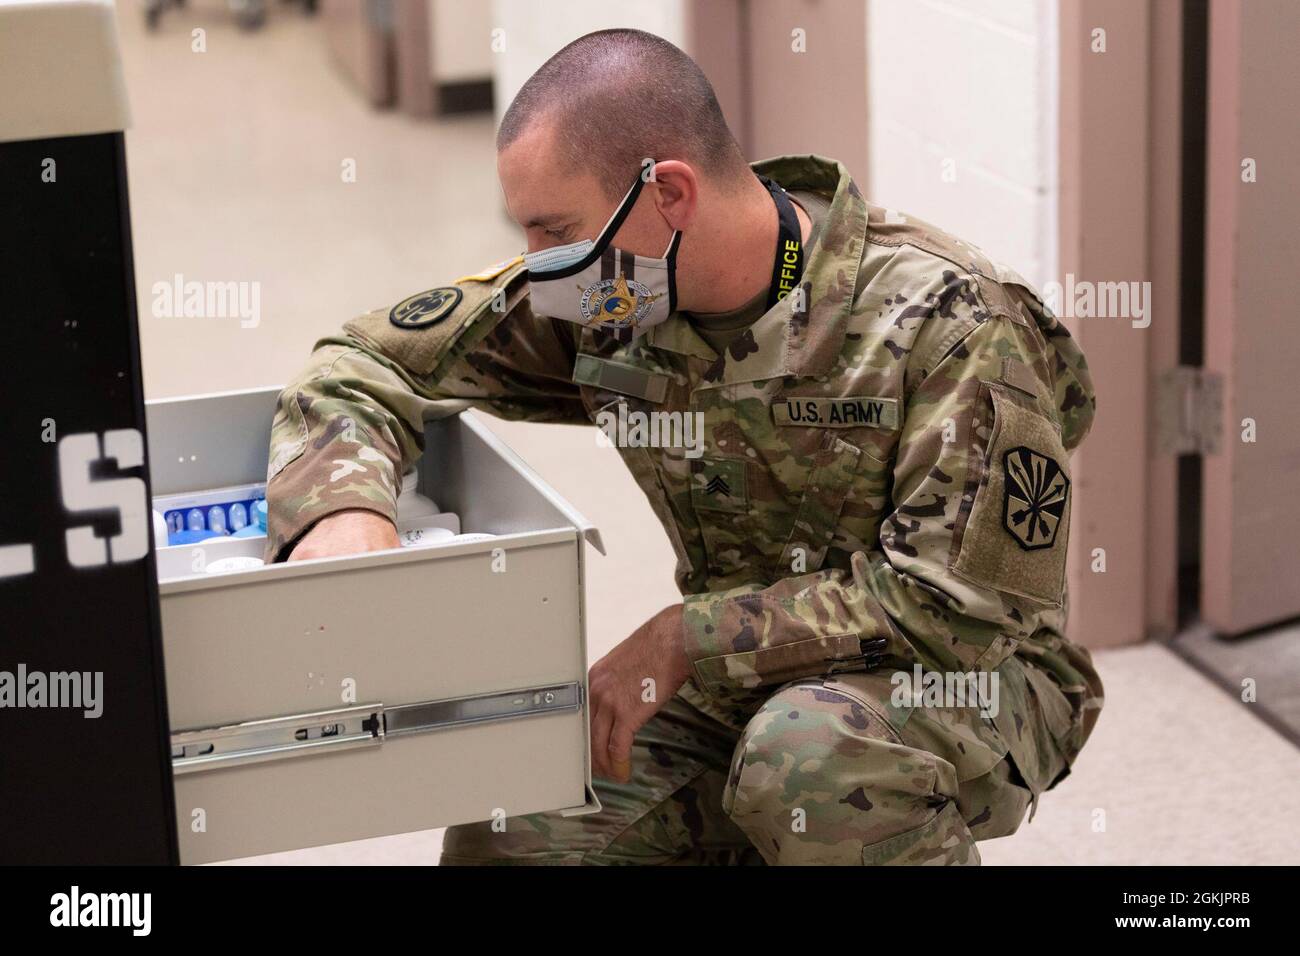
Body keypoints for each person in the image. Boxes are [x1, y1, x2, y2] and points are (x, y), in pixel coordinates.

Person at [263, 28, 1103, 865]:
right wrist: (342, 509)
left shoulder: (949, 323)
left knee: (808, 761)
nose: (538, 266)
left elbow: (955, 611)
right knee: (514, 834)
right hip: (746, 673)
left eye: (556, 231)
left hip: (979, 679)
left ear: (668, 193)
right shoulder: (614, 300)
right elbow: (366, 359)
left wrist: (685, 639)